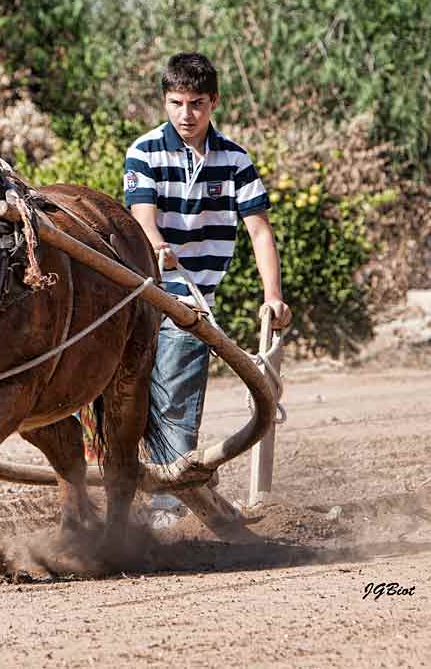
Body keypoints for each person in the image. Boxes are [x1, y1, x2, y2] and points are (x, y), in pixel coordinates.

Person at [123, 52, 292, 529]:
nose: (186, 114)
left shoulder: (235, 159)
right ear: (165, 101)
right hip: (141, 291)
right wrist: (156, 244)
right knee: (121, 394)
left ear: (213, 101)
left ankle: (168, 504)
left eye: (196, 103)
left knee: (175, 395)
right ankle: (118, 491)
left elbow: (259, 229)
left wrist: (272, 294)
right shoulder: (145, 151)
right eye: (176, 102)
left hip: (192, 299)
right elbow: (141, 215)